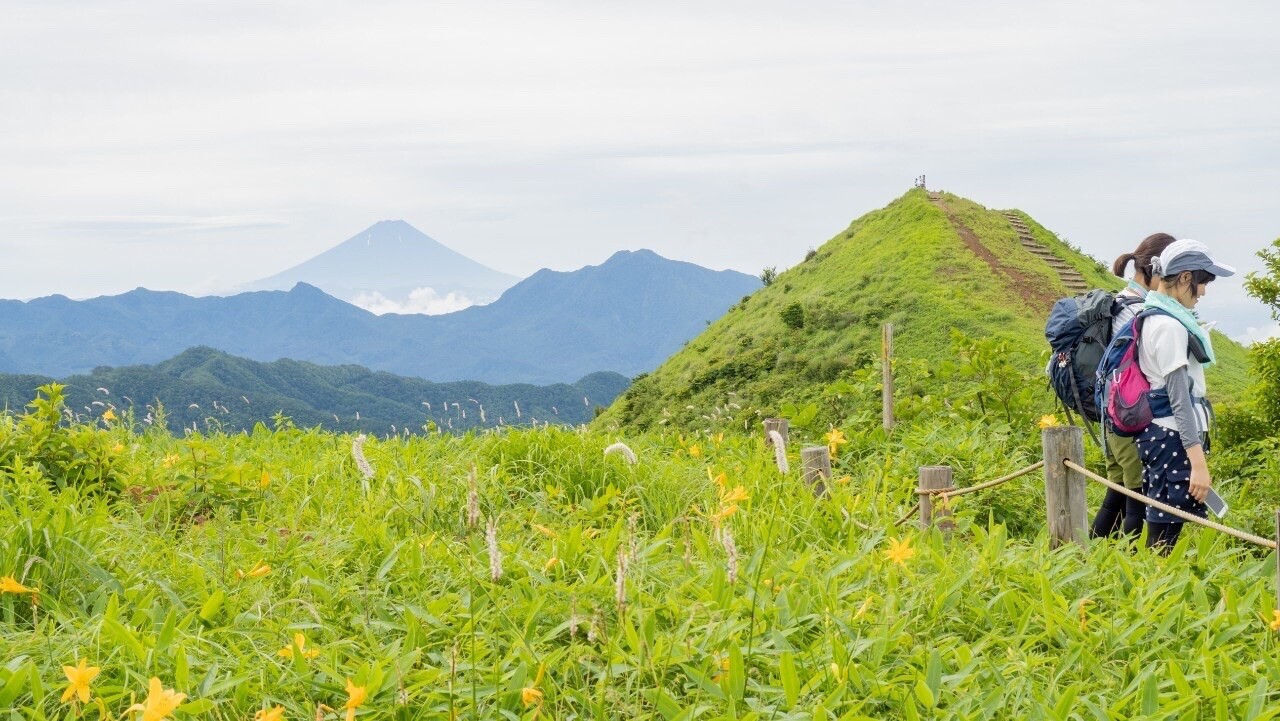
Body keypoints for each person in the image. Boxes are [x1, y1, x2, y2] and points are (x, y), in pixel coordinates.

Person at [1134, 239, 1235, 551]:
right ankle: (1149, 594)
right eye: (1203, 283)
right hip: (1172, 437)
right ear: (1185, 278)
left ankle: (1150, 591)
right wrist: (1199, 463)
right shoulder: (1168, 326)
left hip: (1168, 437)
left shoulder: (1159, 317)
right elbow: (1179, 399)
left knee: (1165, 533)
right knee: (1163, 540)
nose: (1203, 292)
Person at [1090, 233, 1177, 539]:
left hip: (1109, 412)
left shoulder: (1117, 302)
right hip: (1128, 415)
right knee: (1136, 491)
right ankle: (1129, 567)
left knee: (1118, 489)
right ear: (1154, 270)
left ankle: (1092, 555)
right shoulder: (1139, 312)